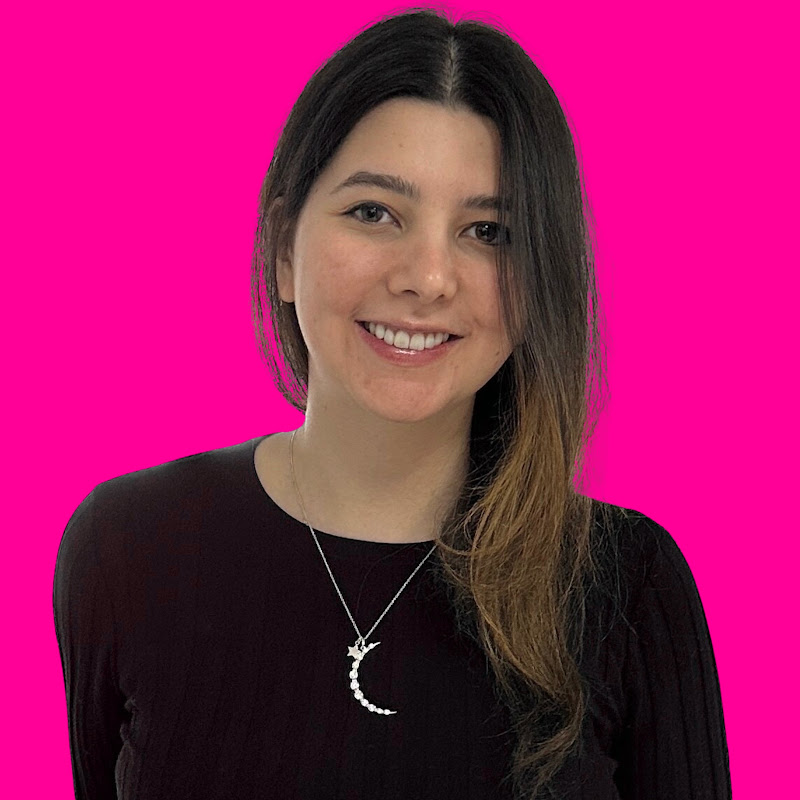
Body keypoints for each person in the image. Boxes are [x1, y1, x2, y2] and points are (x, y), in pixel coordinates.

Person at [53, 7, 731, 799]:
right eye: (375, 213)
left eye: (489, 231)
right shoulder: (128, 547)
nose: (427, 278)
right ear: (283, 249)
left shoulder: (628, 585)